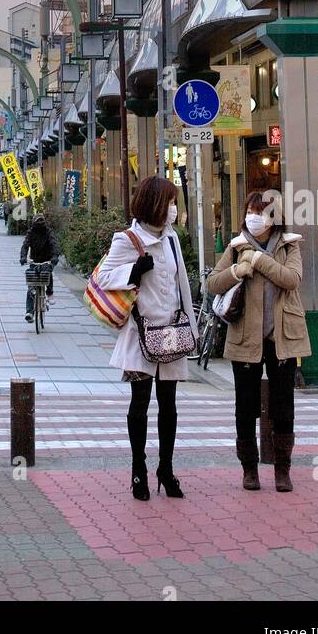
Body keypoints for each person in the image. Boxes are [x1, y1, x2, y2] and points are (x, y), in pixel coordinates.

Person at [96, 175, 197, 501]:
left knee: (169, 404)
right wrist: (135, 271)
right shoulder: (127, 239)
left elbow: (182, 286)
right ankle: (138, 470)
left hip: (171, 333)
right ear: (154, 204)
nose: (173, 210)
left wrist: (191, 330)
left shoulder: (171, 239)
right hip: (140, 333)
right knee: (139, 403)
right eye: (169, 203)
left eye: (174, 203)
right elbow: (105, 277)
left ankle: (165, 470)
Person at [207, 190, 311, 493]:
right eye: (250, 211)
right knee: (245, 406)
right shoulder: (236, 246)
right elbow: (213, 282)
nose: (253, 217)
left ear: (274, 217)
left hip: (282, 338)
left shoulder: (290, 245)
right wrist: (237, 269)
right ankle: (249, 470)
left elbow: (292, 279)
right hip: (245, 338)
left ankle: (282, 469)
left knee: (283, 406)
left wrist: (259, 260)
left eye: (260, 212)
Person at [19, 213, 59, 322]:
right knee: (31, 286)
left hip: (46, 260)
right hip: (34, 261)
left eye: (41, 221)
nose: (39, 223)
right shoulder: (31, 232)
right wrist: (23, 257)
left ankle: (49, 292)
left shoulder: (48, 232)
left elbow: (54, 244)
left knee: (47, 273)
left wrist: (55, 257)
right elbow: (25, 245)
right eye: (38, 221)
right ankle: (29, 312)